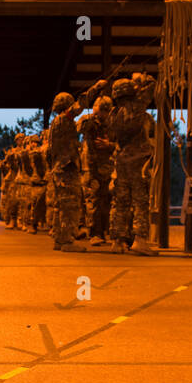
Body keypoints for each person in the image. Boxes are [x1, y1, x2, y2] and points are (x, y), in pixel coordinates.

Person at [95, 75, 157, 256]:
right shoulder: (137, 108)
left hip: (121, 161)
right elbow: (152, 86)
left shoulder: (113, 114)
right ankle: (140, 240)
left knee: (120, 202)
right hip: (139, 160)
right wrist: (141, 80)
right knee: (140, 201)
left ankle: (118, 241)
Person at [45, 92, 86, 251]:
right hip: (66, 169)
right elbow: (77, 109)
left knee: (60, 206)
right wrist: (95, 88)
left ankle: (59, 239)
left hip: (58, 169)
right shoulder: (63, 119)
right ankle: (67, 241)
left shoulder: (55, 122)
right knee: (70, 205)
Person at [77, 94, 115, 247]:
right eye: (100, 110)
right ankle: (94, 233)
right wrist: (93, 115)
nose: (103, 115)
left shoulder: (112, 122)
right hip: (91, 168)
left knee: (107, 200)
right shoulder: (88, 120)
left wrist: (109, 145)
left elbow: (119, 141)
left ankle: (105, 232)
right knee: (93, 200)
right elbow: (80, 128)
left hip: (108, 166)